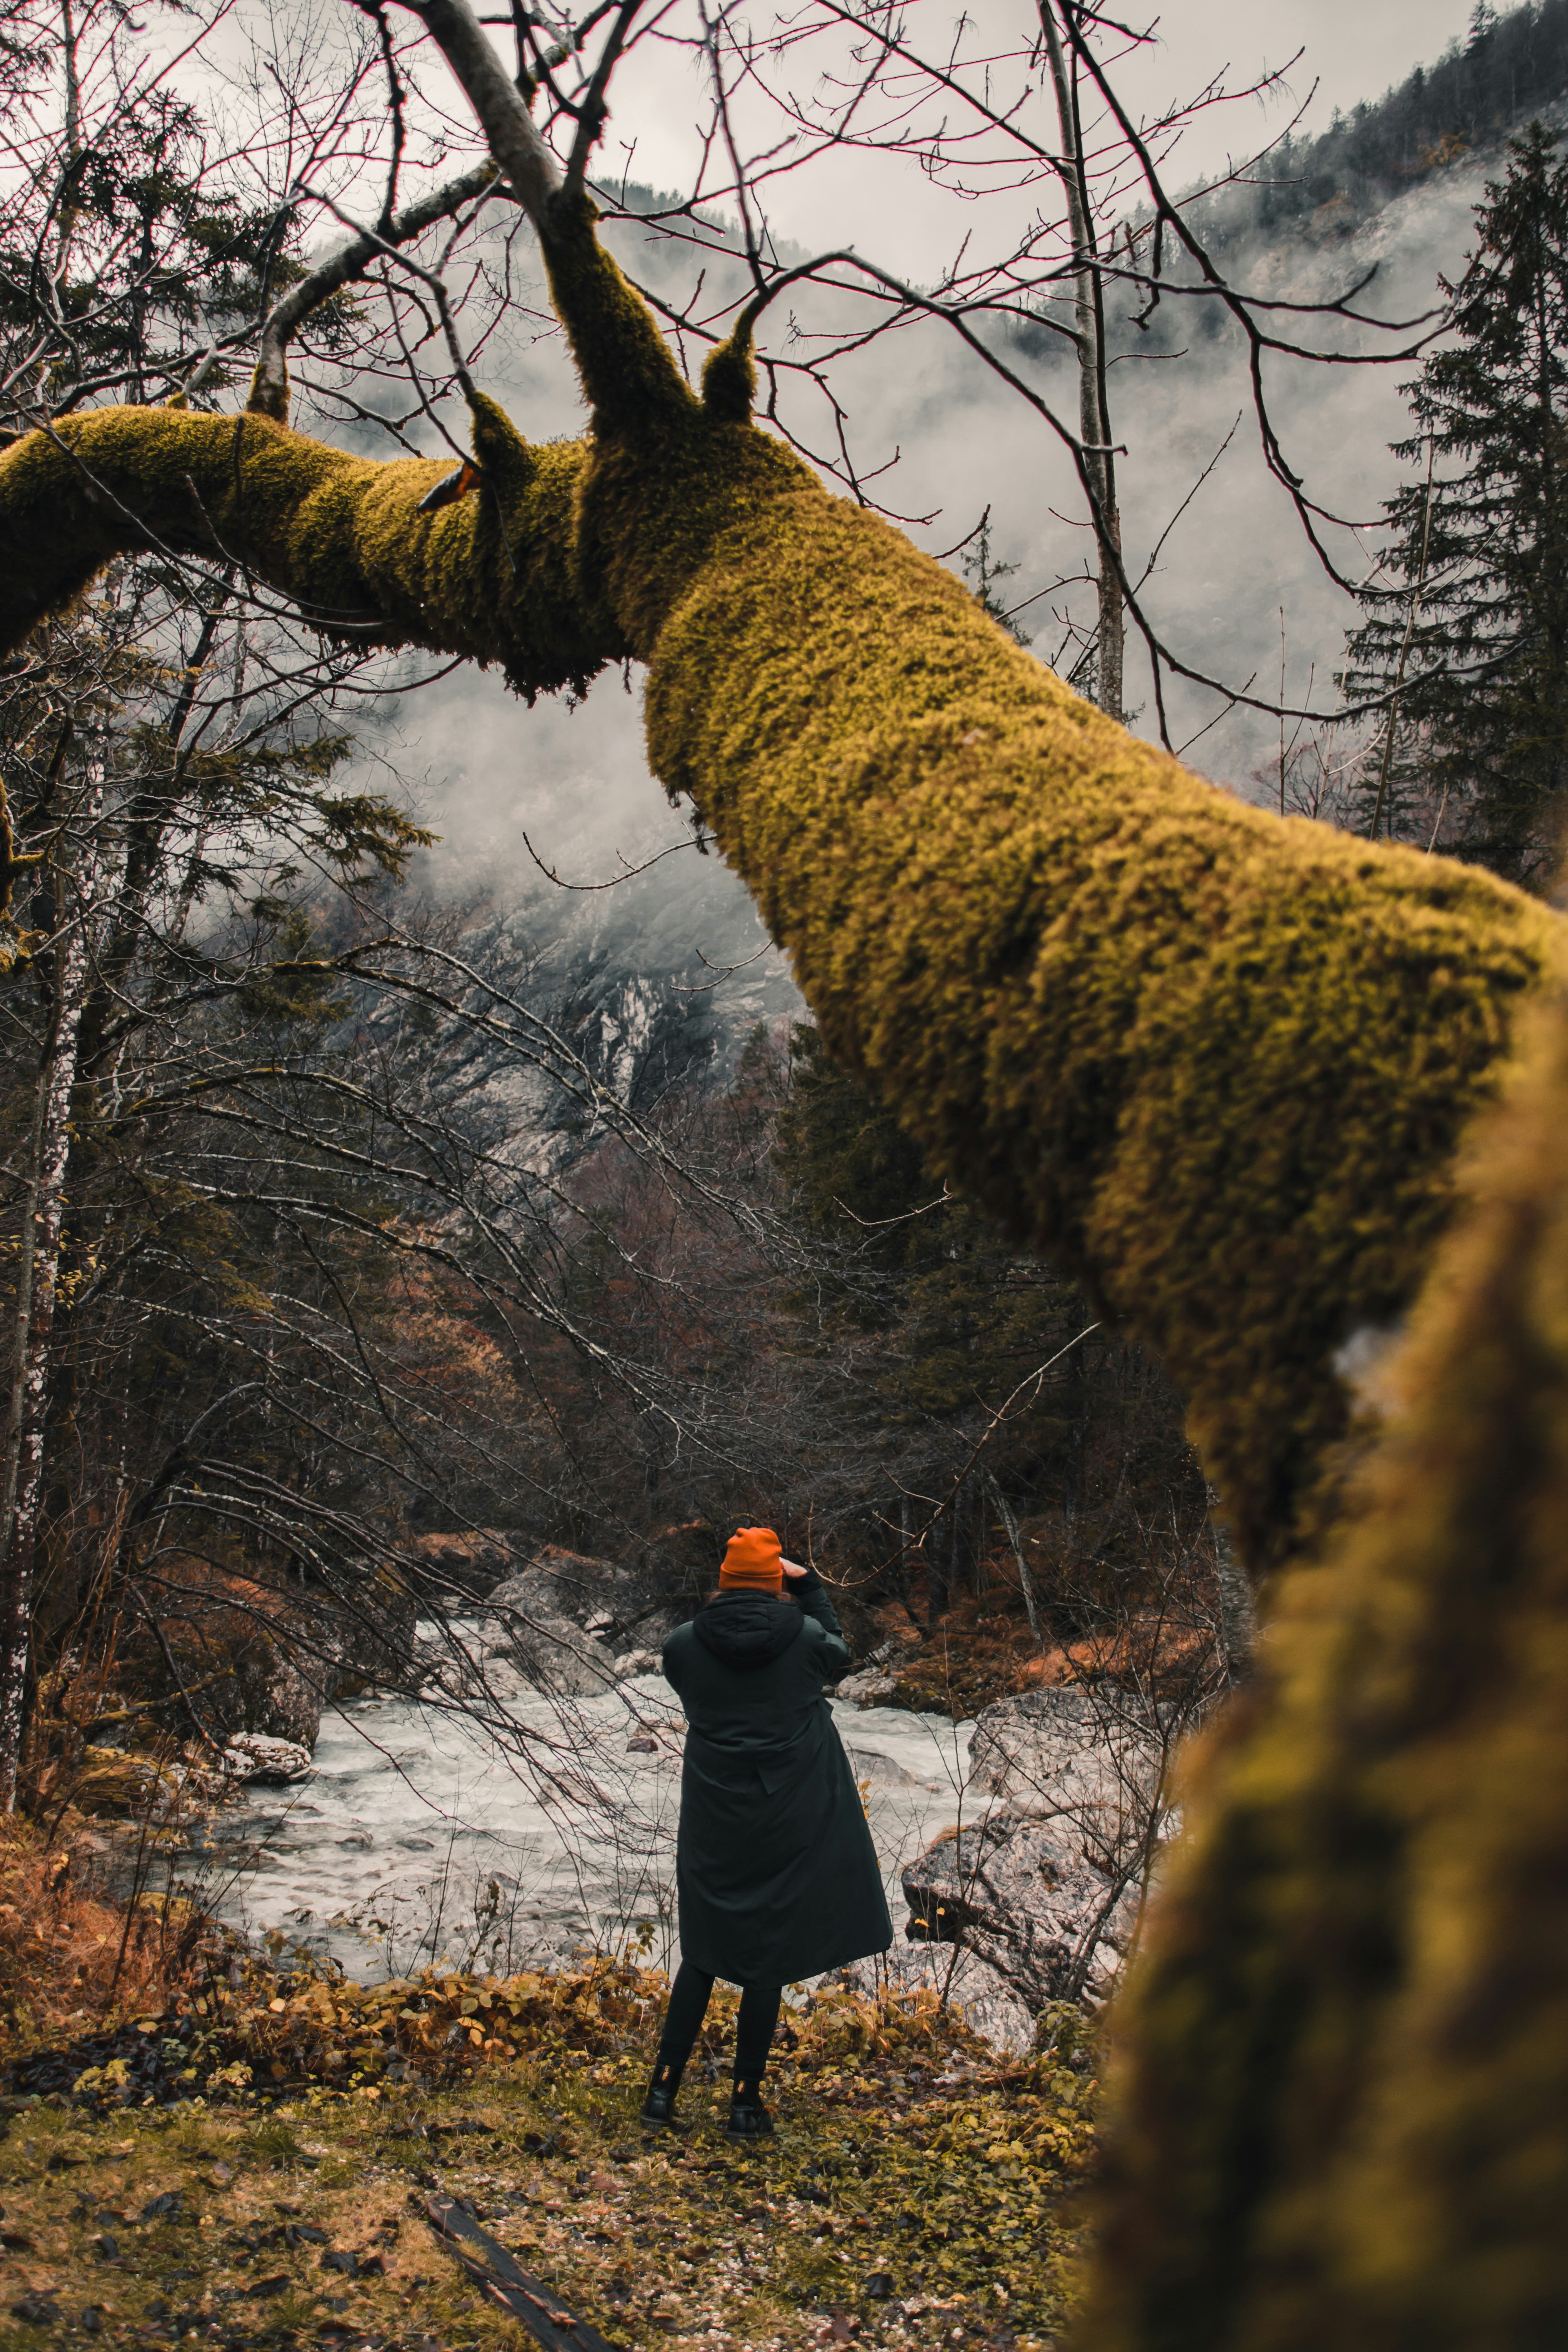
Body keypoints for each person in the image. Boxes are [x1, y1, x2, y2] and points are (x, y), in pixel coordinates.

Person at [641, 1525, 893, 2138]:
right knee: (767, 1956)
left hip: (713, 1817)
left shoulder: (681, 1646)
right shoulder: (805, 1640)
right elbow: (839, 1649)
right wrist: (810, 1588)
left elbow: (700, 1689)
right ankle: (745, 2104)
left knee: (703, 1951)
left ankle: (661, 2093)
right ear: (776, 1579)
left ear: (724, 1581)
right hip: (786, 1815)